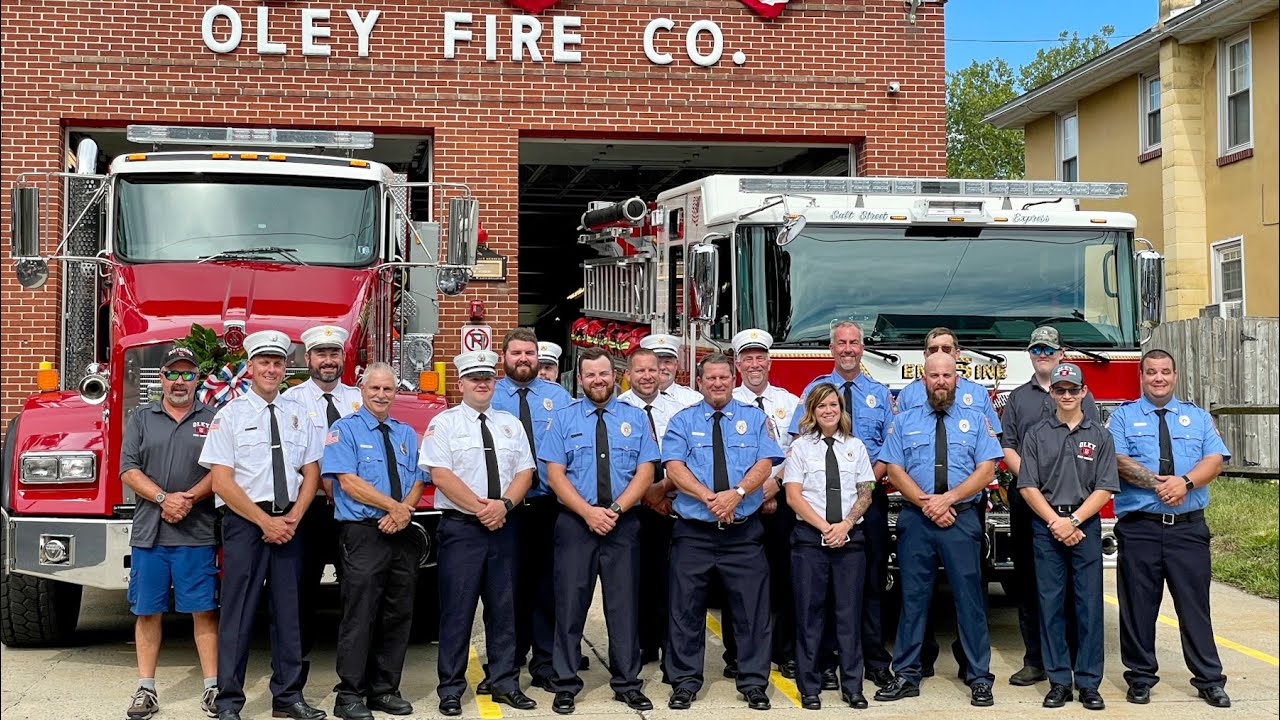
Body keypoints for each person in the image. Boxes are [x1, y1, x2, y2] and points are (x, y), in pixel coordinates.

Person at [200, 330, 326, 720]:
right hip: (245, 523)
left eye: (278, 363)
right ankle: (229, 701)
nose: (271, 369)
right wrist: (264, 522)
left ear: (286, 368)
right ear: (250, 367)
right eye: (264, 363)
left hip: (289, 522)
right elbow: (221, 481)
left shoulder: (297, 415)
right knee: (238, 613)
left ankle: (288, 698)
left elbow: (311, 471)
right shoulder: (231, 415)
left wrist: (293, 518)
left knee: (290, 614)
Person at [875, 352, 1002, 708]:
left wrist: (948, 501)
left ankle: (978, 677)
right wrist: (926, 503)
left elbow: (987, 470)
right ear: (923, 380)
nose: (941, 381)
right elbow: (894, 469)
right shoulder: (904, 422)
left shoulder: (976, 420)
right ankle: (906, 674)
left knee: (970, 601)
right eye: (934, 375)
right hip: (917, 520)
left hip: (961, 519)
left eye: (947, 375)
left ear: (956, 380)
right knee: (913, 600)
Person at [541, 347, 662, 714]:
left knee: (624, 607)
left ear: (616, 376)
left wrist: (614, 510)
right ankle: (564, 683)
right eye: (590, 375)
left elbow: (646, 471)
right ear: (580, 380)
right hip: (575, 524)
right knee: (570, 605)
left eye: (604, 374)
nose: (598, 380)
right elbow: (554, 474)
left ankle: (627, 682)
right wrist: (587, 512)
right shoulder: (563, 419)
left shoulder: (635, 418)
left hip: (622, 524)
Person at [1109, 349, 1232, 709]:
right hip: (1140, 528)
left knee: (1195, 607)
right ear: (1142, 377)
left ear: (1175, 376)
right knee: (1138, 608)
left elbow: (1213, 460)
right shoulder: (1122, 417)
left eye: (1164, 372)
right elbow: (1117, 459)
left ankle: (1209, 679)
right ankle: (1141, 678)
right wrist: (1160, 485)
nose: (1158, 378)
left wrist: (1186, 483)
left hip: (1188, 531)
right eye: (1151, 372)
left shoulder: (1197, 418)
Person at [661, 352, 784, 712]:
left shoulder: (754, 418)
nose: (717, 383)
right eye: (710, 378)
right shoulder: (682, 421)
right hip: (694, 533)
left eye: (723, 378)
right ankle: (684, 682)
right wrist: (709, 497)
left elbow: (766, 462)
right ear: (699, 382)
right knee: (685, 611)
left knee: (752, 613)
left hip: (742, 534)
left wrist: (739, 494)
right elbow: (673, 465)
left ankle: (753, 683)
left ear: (734, 380)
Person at [420, 350, 539, 717]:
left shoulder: (510, 424)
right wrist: (482, 508)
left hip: (504, 526)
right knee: (457, 612)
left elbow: (525, 472)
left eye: (487, 377)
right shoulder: (444, 424)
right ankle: (451, 688)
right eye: (474, 378)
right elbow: (440, 475)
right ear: (461, 384)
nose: (482, 383)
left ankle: (504, 682)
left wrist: (502, 506)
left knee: (505, 610)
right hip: (463, 531)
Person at [790, 320, 894, 690]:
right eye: (841, 343)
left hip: (866, 502)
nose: (848, 348)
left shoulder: (879, 393)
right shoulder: (814, 390)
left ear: (862, 348)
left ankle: (874, 660)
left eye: (854, 343)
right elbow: (796, 441)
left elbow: (888, 448)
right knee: (821, 592)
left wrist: (866, 480)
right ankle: (827, 663)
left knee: (868, 585)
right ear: (831, 348)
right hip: (819, 509)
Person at [321, 363, 425, 720]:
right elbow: (346, 482)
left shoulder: (405, 433)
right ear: (361, 391)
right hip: (363, 532)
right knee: (359, 613)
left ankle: (385, 689)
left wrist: (404, 512)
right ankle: (349, 694)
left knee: (398, 612)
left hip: (401, 531)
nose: (381, 395)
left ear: (395, 393)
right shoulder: (344, 430)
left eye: (388, 389)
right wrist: (394, 508)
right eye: (375, 389)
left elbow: (418, 478)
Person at [120, 347, 220, 720]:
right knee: (147, 613)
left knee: (204, 611)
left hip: (197, 532)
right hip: (150, 534)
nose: (180, 382)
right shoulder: (142, 418)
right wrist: (164, 498)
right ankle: (146, 690)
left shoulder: (212, 418)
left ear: (198, 379)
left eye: (188, 374)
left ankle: (212, 688)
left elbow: (223, 467)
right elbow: (128, 469)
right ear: (161, 378)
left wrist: (188, 499)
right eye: (173, 374)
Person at [1000, 326, 1099, 687]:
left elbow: (1091, 446)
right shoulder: (1016, 398)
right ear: (1030, 354)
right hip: (1029, 503)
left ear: (1060, 354)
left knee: (1073, 586)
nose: (1042, 353)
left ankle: (1072, 658)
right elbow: (1007, 446)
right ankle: (1035, 660)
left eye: (1049, 348)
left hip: (1073, 507)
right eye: (1036, 348)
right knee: (1029, 581)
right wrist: (1032, 484)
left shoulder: (1079, 395)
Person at [1016, 363, 1118, 711]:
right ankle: (1059, 681)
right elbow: (1028, 486)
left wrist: (1073, 520)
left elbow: (1105, 487)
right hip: (1047, 527)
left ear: (1084, 393)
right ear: (1053, 394)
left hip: (1084, 524)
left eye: (1073, 389)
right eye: (1060, 390)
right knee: (1051, 605)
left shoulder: (1101, 435)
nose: (1067, 395)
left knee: (1088, 606)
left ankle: (1089, 683)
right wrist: (1055, 522)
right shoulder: (1036, 435)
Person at [490, 328, 575, 691]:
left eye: (529, 353)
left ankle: (544, 665)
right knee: (505, 590)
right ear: (504, 357)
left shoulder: (559, 397)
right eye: (516, 353)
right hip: (504, 509)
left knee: (547, 588)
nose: (523, 359)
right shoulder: (489, 395)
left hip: (547, 507)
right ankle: (505, 667)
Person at [784, 383, 876, 710]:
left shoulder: (856, 447)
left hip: (849, 540)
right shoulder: (800, 449)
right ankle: (809, 686)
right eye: (821, 406)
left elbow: (865, 492)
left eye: (833, 405)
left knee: (849, 616)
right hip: (810, 540)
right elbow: (793, 495)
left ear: (841, 410)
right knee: (809, 615)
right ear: (812, 410)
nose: (828, 411)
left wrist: (845, 525)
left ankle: (853, 686)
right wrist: (824, 528)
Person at [279, 324, 363, 680]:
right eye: (321, 354)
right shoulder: (289, 402)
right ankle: (293, 679)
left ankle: (355, 674)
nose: (328, 361)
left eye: (334, 354)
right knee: (299, 592)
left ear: (343, 358)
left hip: (353, 509)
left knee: (357, 590)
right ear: (308, 359)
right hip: (309, 509)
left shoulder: (359, 400)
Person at [724, 329, 801, 679]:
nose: (754, 364)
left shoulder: (792, 402)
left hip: (782, 499)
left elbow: (796, 451)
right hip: (739, 502)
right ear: (737, 363)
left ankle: (784, 651)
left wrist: (775, 485)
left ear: (769, 362)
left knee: (785, 578)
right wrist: (754, 491)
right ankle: (736, 653)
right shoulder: (725, 402)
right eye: (747, 358)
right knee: (735, 581)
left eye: (760, 357)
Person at [617, 346, 685, 666]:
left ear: (661, 373)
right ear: (628, 375)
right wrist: (647, 496)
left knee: (671, 579)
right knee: (637, 580)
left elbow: (688, 456)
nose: (646, 376)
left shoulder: (680, 409)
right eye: (639, 371)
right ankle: (644, 644)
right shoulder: (617, 409)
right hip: (633, 507)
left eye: (652, 370)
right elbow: (618, 464)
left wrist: (665, 492)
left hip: (672, 503)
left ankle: (671, 642)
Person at [640, 333, 702, 407]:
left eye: (667, 362)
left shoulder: (693, 400)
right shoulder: (632, 400)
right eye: (657, 362)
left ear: (676, 365)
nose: (662, 367)